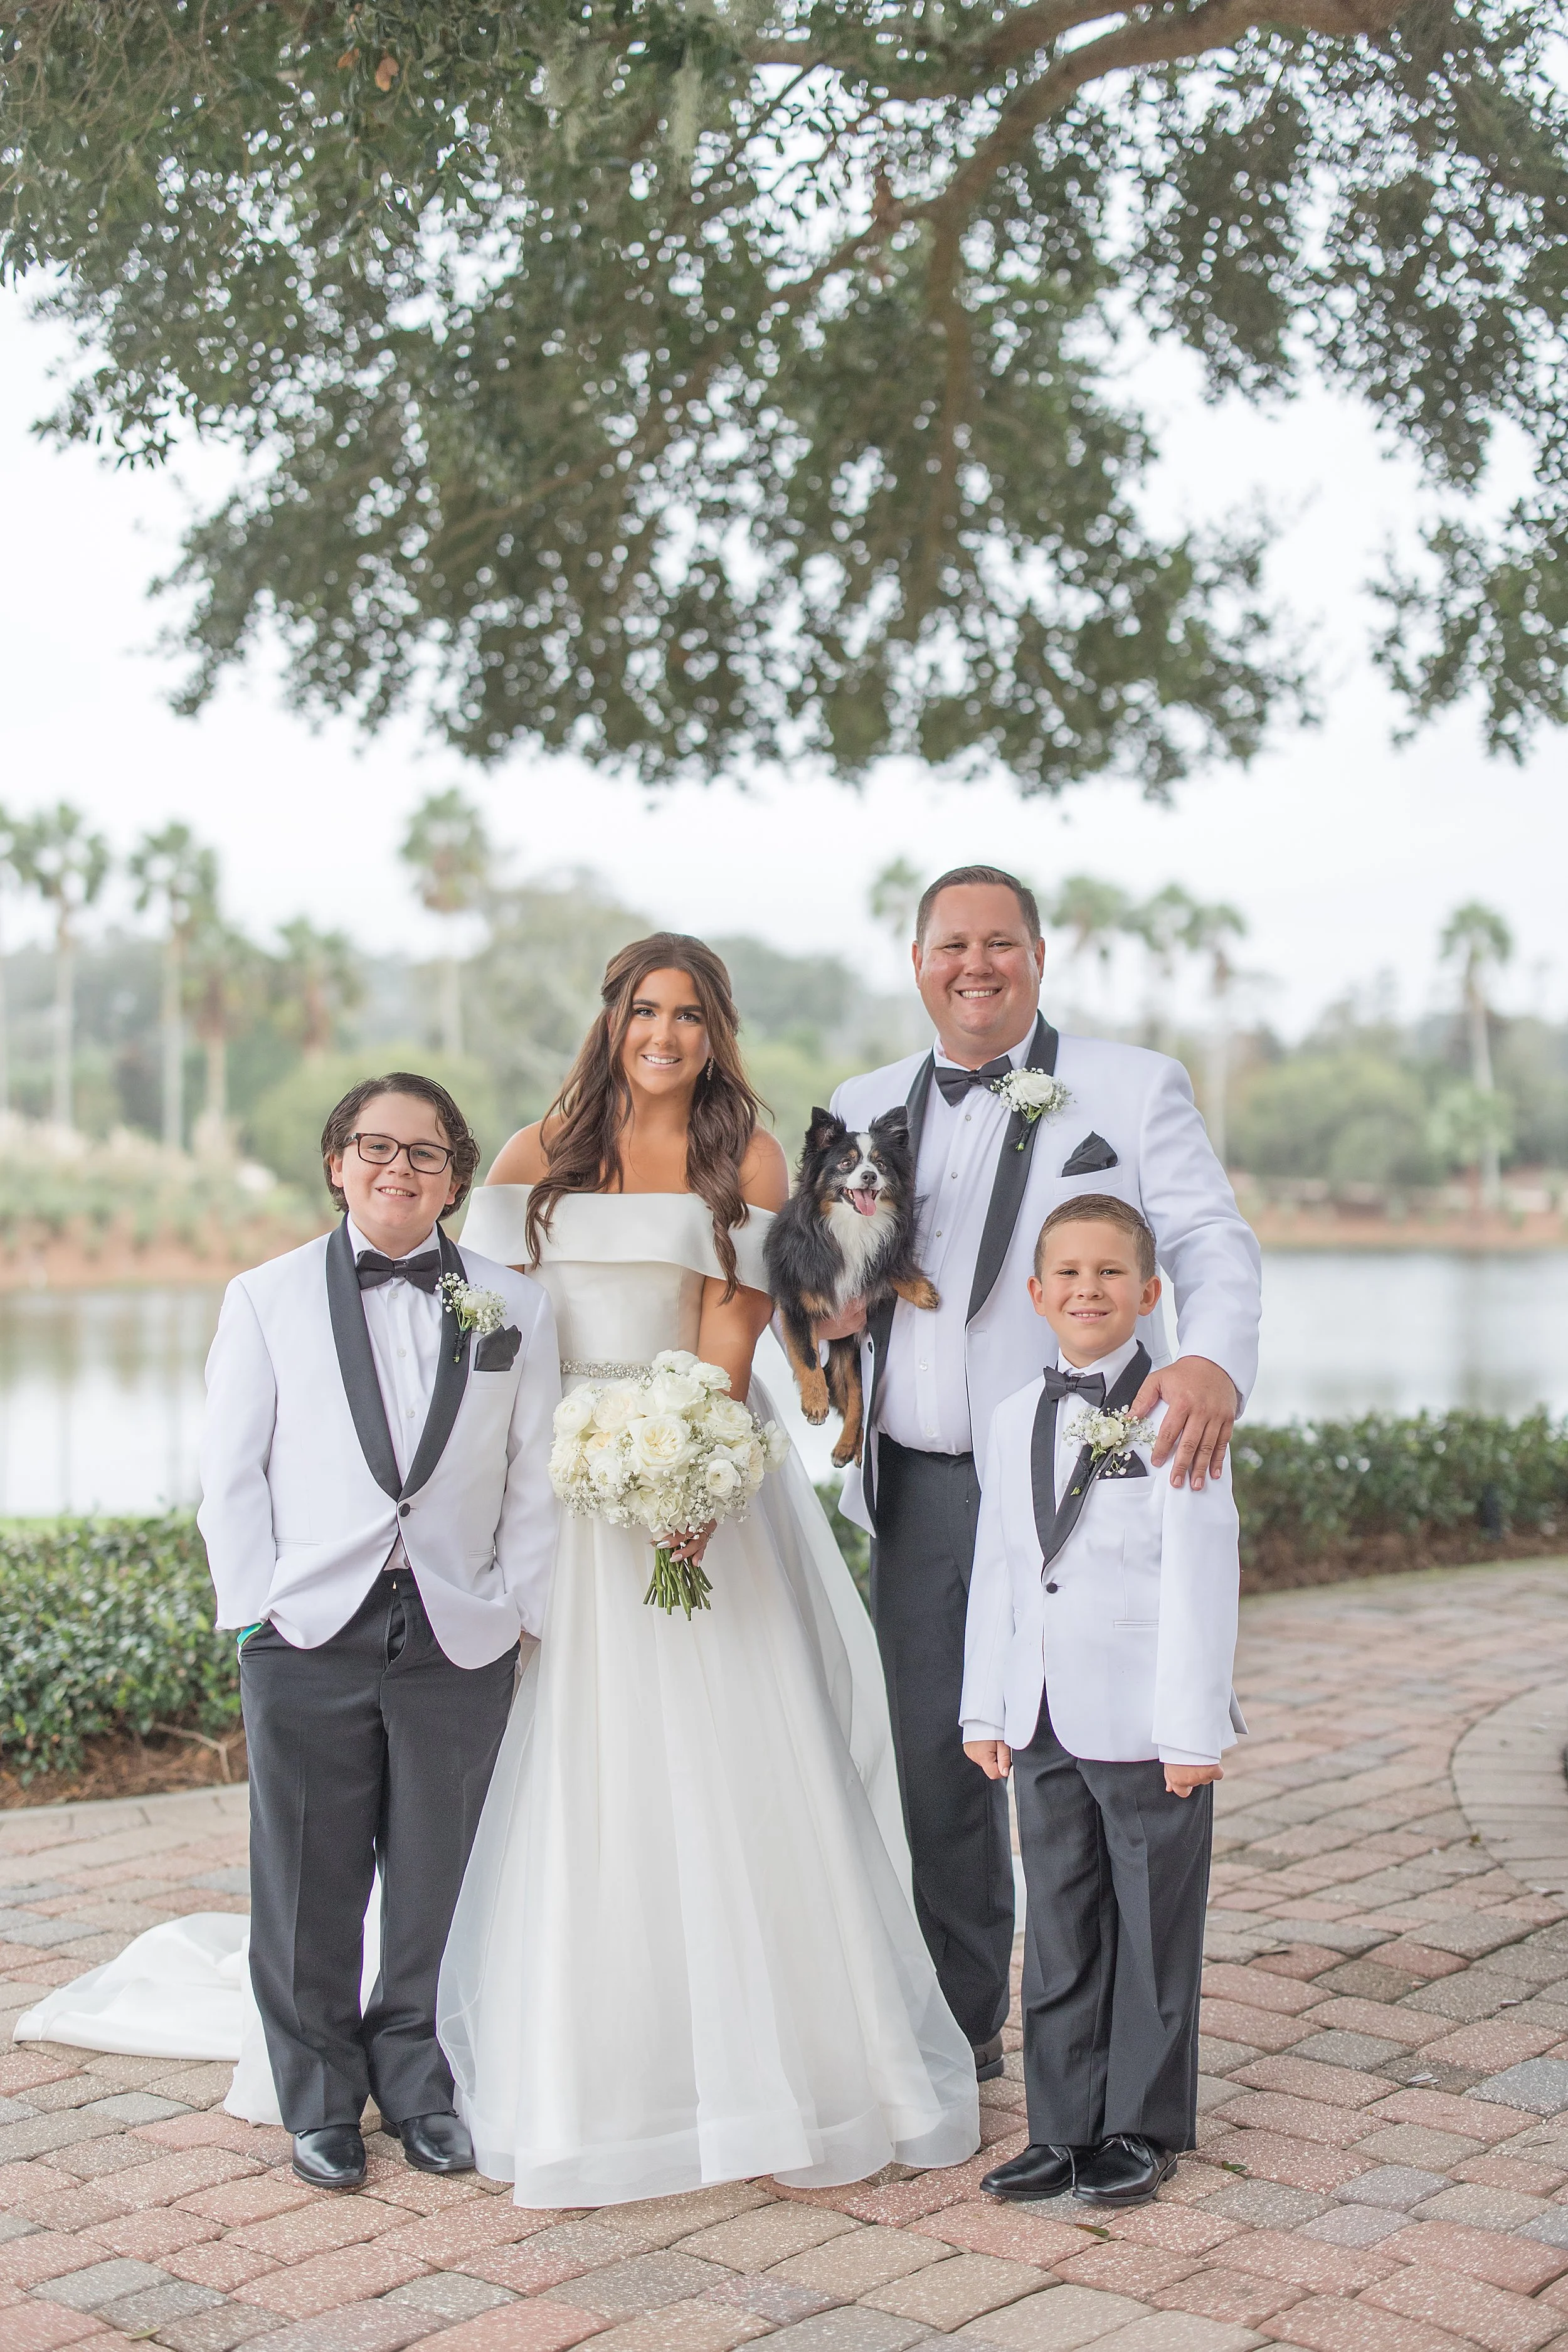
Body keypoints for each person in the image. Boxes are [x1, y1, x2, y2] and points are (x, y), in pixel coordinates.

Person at [442, 933, 979, 2205]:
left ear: (715, 1030)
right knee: (587, 1764)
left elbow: (729, 1342)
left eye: (688, 1014)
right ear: (611, 1020)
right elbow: (489, 1336)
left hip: (695, 1476)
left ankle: (769, 2064)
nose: (664, 1035)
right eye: (644, 1010)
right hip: (565, 1490)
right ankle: (590, 2066)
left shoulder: (744, 1158)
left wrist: (686, 1481)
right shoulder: (535, 1152)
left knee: (725, 1758)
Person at [825, 864, 1261, 2080]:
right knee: (937, 1760)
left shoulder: (1131, 1086)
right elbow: (832, 1271)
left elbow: (1208, 1240)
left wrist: (1213, 1360)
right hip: (913, 1483)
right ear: (918, 962)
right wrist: (815, 1322)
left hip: (1078, 1483)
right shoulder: (862, 1102)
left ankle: (1115, 2054)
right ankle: (960, 2029)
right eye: (952, 944)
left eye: (1000, 943)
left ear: (1036, 956)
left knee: (1099, 1759)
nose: (976, 965)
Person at [198, 1073, 561, 2190]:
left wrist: (522, 1612)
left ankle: (417, 2082)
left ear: (455, 1177)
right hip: (309, 1626)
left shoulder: (516, 1302)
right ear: (337, 1162)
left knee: (437, 1874)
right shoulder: (265, 1297)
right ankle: (319, 2097)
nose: (399, 1168)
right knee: (306, 1874)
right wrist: (255, 1615)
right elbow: (231, 1474)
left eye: (425, 1153)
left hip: (459, 1627)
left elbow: (534, 1473)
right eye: (376, 1147)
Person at [961, 1196, 1242, 2208]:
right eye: (1070, 1274)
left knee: (1154, 1926)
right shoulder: (1011, 1417)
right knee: (1060, 1921)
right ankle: (1062, 2125)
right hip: (1040, 1713)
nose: (1090, 1288)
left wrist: (1194, 1728)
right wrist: (984, 1707)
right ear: (1038, 1294)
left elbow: (1203, 1577)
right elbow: (1003, 1565)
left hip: (1145, 1720)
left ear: (1150, 1292)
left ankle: (1141, 2125)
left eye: (1111, 1272)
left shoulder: (1179, 1415)